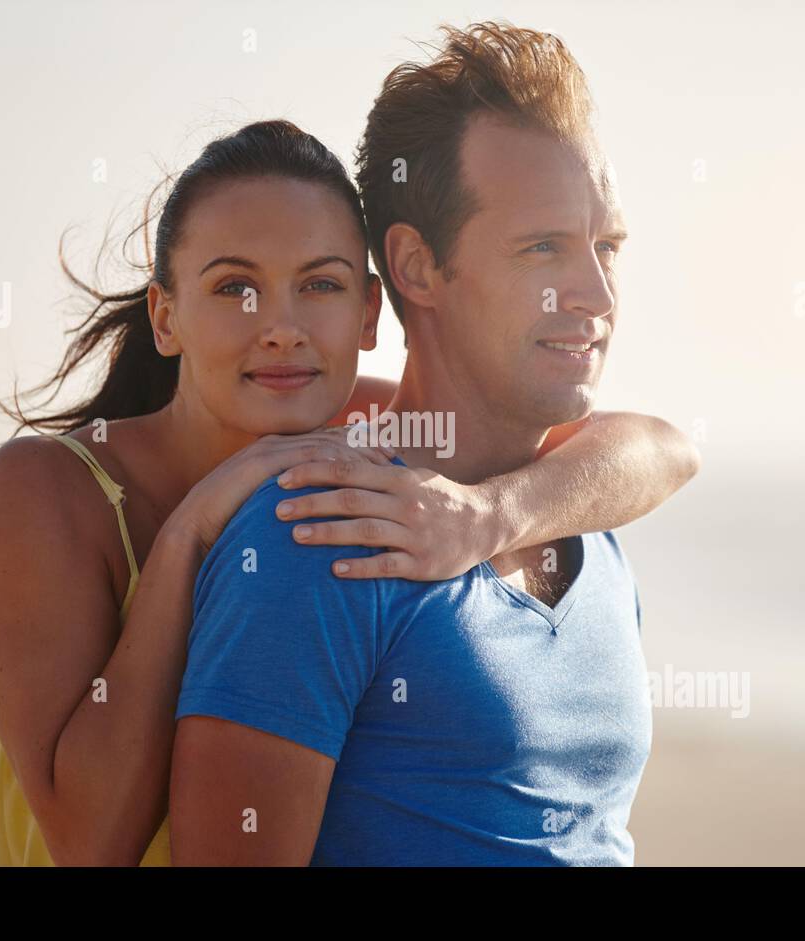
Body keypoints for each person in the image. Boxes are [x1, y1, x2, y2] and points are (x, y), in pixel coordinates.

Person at [0, 115, 696, 865]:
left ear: (368, 313)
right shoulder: (43, 490)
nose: (282, 328)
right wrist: (188, 534)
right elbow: (88, 842)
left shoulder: (359, 427)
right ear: (166, 316)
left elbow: (662, 450)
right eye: (235, 287)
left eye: (320, 285)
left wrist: (487, 517)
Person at [170, 22, 674, 865]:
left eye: (607, 247)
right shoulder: (320, 535)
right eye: (542, 247)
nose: (596, 292)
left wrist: (493, 514)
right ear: (415, 267)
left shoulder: (582, 514)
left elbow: (668, 447)